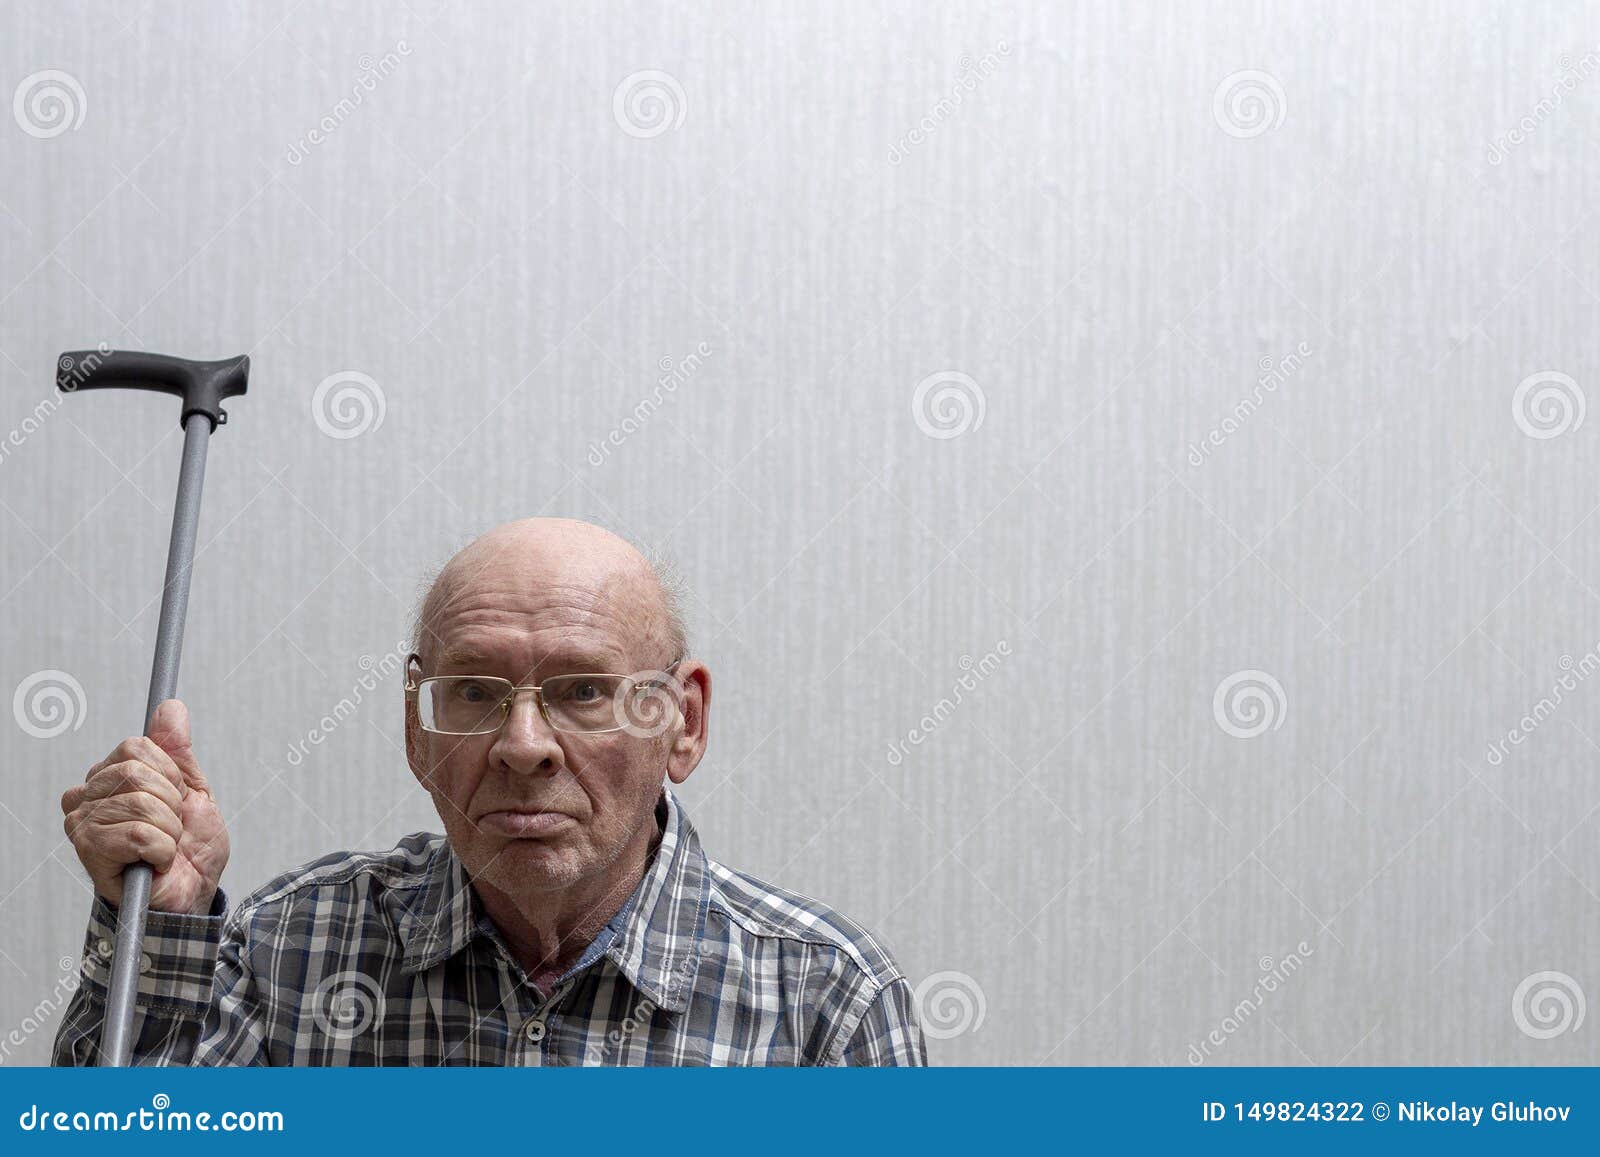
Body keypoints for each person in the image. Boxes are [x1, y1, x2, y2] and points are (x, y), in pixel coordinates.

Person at [53, 517, 926, 1065]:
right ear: (414, 727)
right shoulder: (292, 948)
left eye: (584, 691)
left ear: (682, 722)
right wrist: (164, 919)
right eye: (471, 692)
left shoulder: (825, 1001)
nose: (522, 745)